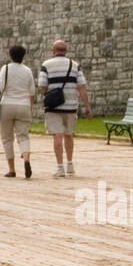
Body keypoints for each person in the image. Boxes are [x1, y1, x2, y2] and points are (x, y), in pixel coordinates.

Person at [38, 39, 92, 177]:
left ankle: (59, 167)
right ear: (66, 51)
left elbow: (42, 86)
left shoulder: (46, 65)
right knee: (68, 134)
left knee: (57, 135)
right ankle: (70, 164)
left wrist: (49, 94)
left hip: (53, 107)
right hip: (71, 106)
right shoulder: (74, 65)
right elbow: (82, 87)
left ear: (53, 51)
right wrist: (87, 106)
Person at [0, 45, 35, 178]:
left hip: (7, 104)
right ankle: (27, 159)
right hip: (23, 105)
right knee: (23, 136)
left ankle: (12, 169)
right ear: (23, 56)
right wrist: (30, 107)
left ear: (10, 55)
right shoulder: (28, 71)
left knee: (7, 138)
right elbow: (32, 91)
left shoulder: (5, 68)